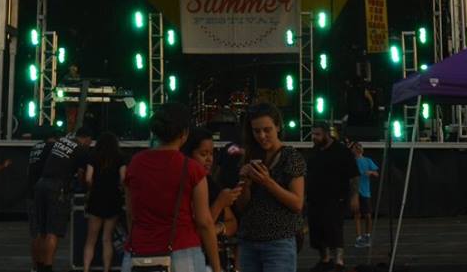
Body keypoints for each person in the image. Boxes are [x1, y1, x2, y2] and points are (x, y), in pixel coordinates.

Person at [121, 104, 221, 272]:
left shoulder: (135, 164)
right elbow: (204, 222)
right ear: (184, 134)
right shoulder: (192, 169)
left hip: (138, 254)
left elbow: (131, 213)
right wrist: (217, 268)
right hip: (183, 253)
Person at [232, 103, 304, 272]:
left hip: (278, 241)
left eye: (267, 130)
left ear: (278, 126)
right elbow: (242, 206)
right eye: (256, 131)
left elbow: (297, 203)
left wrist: (267, 182)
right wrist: (244, 182)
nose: (262, 136)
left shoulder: (291, 157)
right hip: (249, 240)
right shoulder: (251, 156)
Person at [26, 119, 87, 272]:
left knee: (41, 230)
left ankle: (38, 267)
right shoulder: (80, 149)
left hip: (40, 184)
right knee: (53, 231)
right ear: (87, 138)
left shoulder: (59, 143)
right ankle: (48, 267)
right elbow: (82, 175)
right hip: (57, 186)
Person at [304, 123, 353, 270]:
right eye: (313, 134)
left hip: (335, 198)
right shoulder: (314, 151)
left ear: (326, 134)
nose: (314, 137)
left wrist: (355, 196)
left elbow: (353, 175)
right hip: (315, 199)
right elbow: (308, 175)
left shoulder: (342, 151)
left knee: (334, 230)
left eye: (317, 134)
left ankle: (339, 261)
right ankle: (324, 259)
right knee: (317, 231)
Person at [80, 131, 124, 272]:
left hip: (96, 199)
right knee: (107, 238)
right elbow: (123, 179)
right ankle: (107, 269)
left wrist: (93, 187)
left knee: (91, 239)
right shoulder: (120, 157)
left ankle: (86, 268)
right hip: (113, 198)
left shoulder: (93, 156)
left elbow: (88, 178)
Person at [349, 141, 377, 249]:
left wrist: (371, 172)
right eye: (356, 147)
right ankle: (358, 238)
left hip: (366, 192)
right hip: (355, 192)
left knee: (368, 215)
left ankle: (367, 236)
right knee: (357, 215)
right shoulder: (352, 162)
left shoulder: (367, 160)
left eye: (359, 146)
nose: (359, 148)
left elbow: (376, 173)